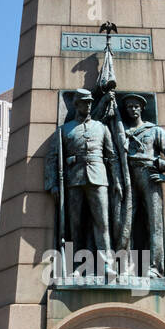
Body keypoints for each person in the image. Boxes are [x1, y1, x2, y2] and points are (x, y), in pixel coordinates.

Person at [47, 88, 116, 269]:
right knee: (75, 225)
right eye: (84, 102)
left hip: (99, 178)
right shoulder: (65, 130)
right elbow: (52, 158)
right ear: (76, 104)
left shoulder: (101, 128)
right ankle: (77, 265)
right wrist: (53, 184)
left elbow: (112, 157)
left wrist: (116, 181)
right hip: (73, 180)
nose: (88, 105)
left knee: (102, 223)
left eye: (90, 102)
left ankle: (106, 264)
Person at [121, 93, 165, 279]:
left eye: (135, 106)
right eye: (129, 106)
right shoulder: (121, 131)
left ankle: (155, 267)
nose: (132, 109)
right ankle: (125, 267)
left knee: (154, 223)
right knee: (125, 223)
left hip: (149, 176)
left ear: (141, 109)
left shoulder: (154, 131)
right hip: (127, 177)